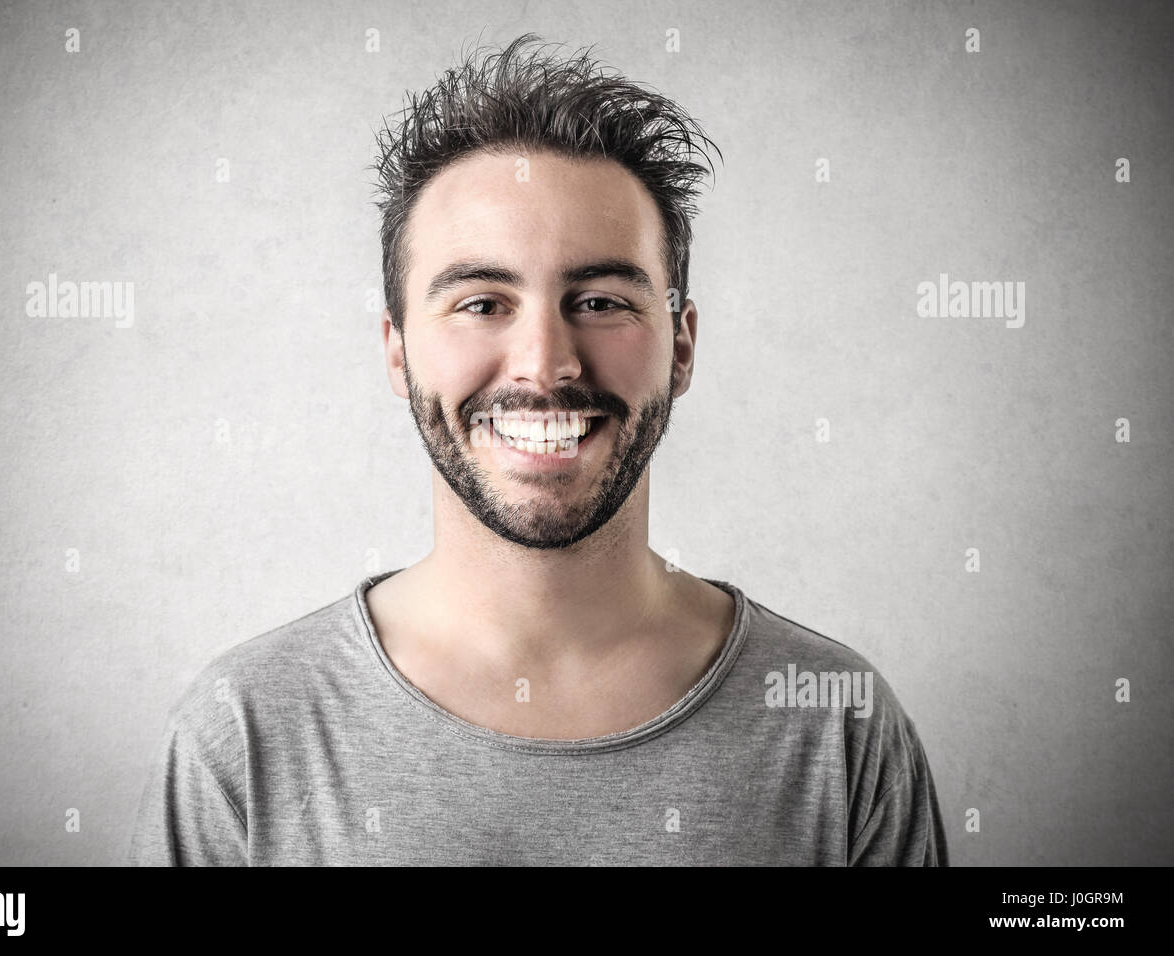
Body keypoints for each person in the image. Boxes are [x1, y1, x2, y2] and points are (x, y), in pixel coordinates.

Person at [129, 33, 948, 866]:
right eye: (483, 303)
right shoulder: (242, 733)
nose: (545, 363)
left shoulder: (836, 724)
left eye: (599, 300)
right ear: (398, 351)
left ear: (683, 345)